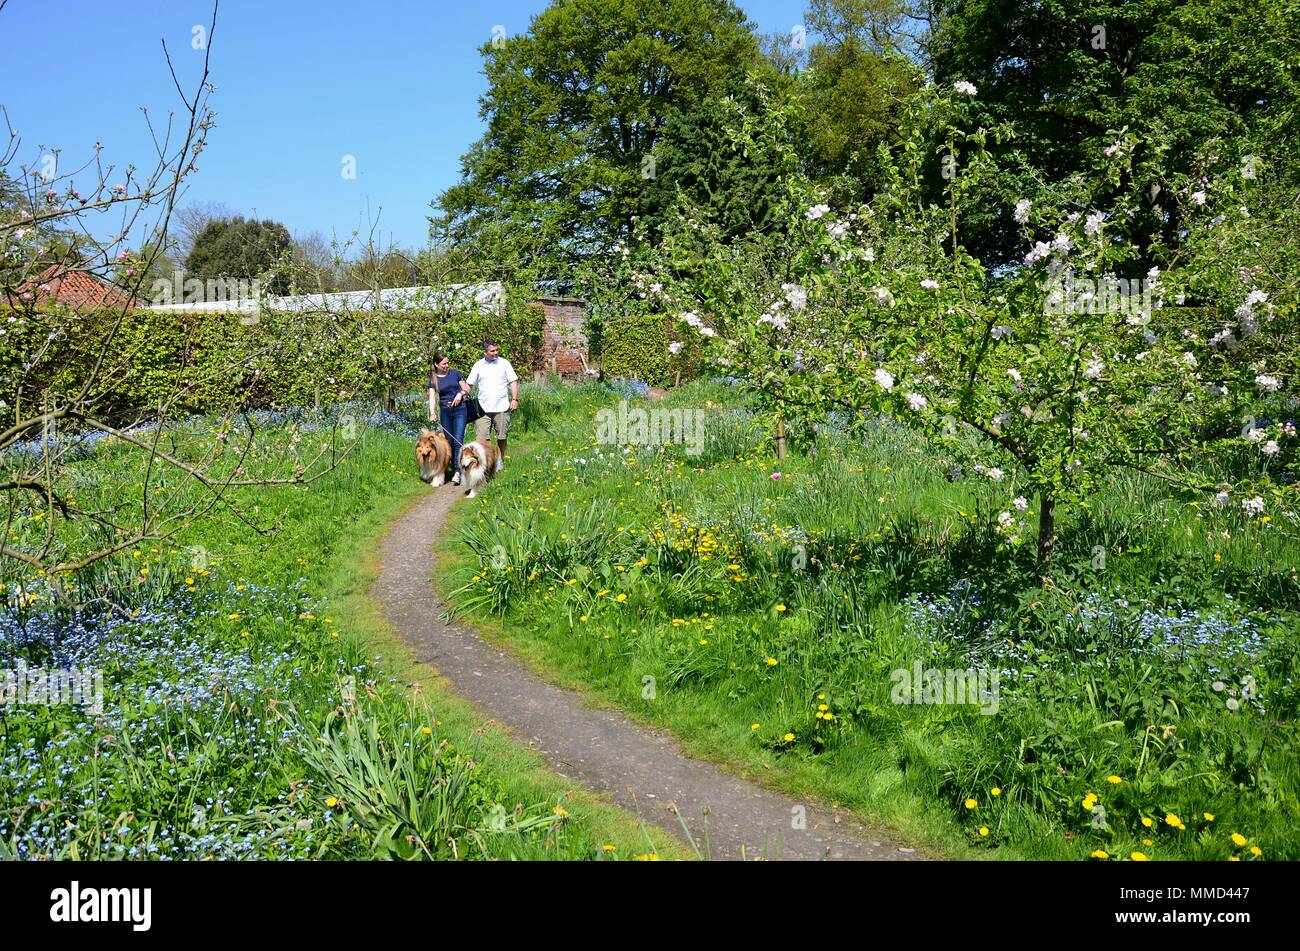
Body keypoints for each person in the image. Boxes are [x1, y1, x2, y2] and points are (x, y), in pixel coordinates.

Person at [466, 340, 519, 467]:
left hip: (502, 407)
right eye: (492, 351)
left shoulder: (504, 363)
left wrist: (514, 399)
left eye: (497, 350)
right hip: (482, 409)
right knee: (482, 439)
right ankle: (487, 463)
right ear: (485, 352)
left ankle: (500, 460)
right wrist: (461, 394)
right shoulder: (478, 365)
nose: (496, 353)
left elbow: (513, 381)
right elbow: (469, 384)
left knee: (502, 436)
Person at [428, 350, 471, 485]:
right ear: (436, 364)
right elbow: (432, 398)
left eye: (447, 363)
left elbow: (467, 389)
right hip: (445, 411)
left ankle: (458, 472)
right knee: (449, 442)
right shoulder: (433, 379)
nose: (447, 365)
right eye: (443, 363)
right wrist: (432, 412)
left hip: (460, 410)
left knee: (458, 440)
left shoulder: (455, 373)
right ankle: (453, 468)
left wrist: (461, 394)